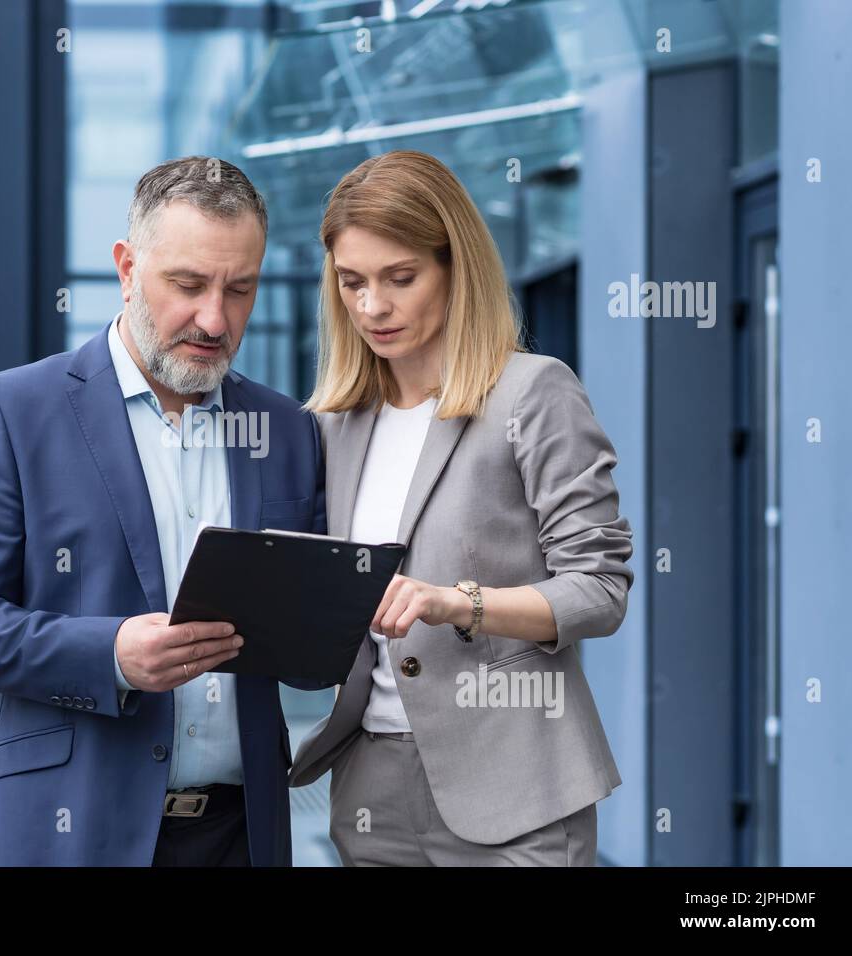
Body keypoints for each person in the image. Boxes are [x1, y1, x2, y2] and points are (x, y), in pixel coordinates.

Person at [0, 156, 325, 866]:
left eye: (241, 289)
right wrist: (109, 656)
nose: (214, 318)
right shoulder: (9, 412)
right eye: (188, 285)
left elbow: (309, 644)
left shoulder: (287, 429)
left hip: (241, 837)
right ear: (128, 267)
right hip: (62, 832)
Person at [289, 149, 634, 866]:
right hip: (371, 789)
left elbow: (599, 590)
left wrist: (457, 603)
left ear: (456, 267)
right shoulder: (329, 425)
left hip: (518, 791)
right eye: (352, 283)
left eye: (401, 278)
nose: (372, 307)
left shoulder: (533, 394)